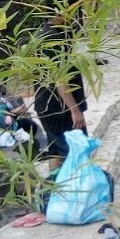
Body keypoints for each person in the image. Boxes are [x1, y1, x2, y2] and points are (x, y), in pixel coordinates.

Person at [34, 13, 88, 160]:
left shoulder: (46, 33)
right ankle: (78, 182)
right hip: (58, 108)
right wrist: (75, 110)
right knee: (76, 151)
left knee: (56, 151)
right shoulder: (50, 38)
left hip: (47, 106)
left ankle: (56, 181)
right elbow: (60, 79)